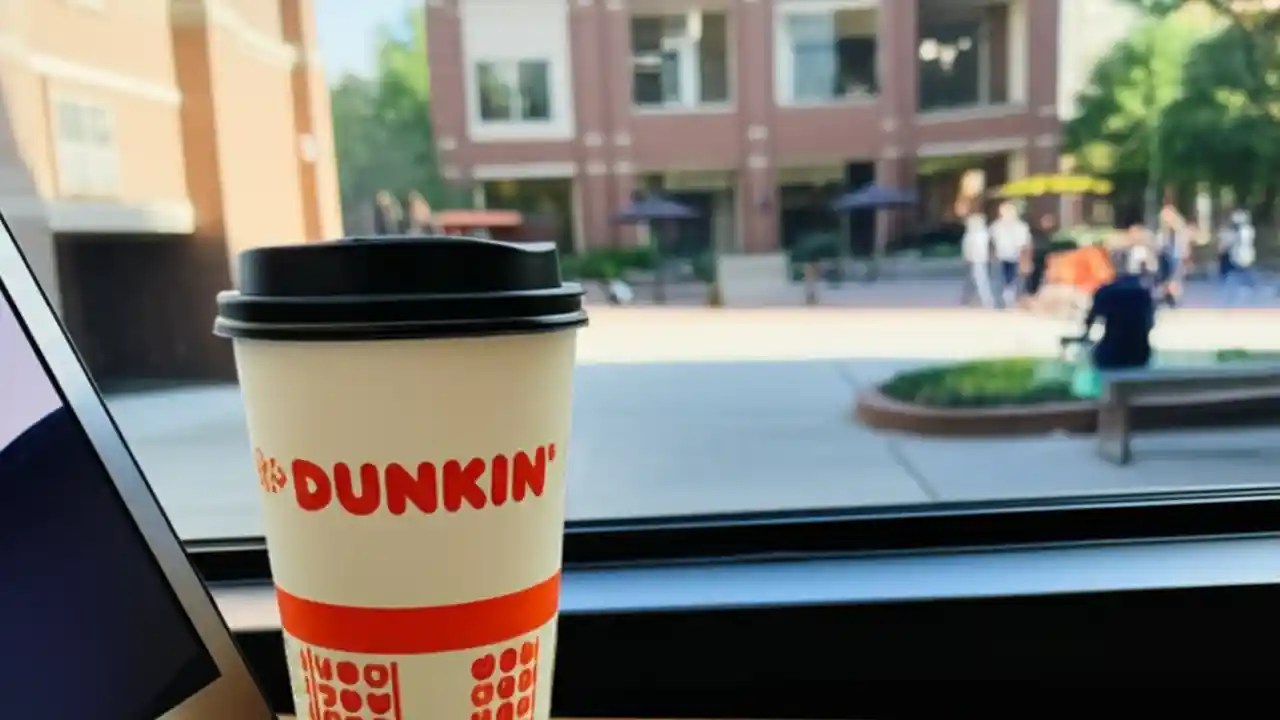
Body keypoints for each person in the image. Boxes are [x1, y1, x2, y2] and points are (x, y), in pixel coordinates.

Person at [1080, 251, 1156, 371]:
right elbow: (1150, 323)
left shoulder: (1106, 292)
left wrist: (1085, 336)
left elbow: (1091, 320)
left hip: (1112, 350)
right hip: (1139, 352)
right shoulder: (1143, 293)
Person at [990, 202, 1031, 308]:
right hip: (1001, 256)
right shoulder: (996, 226)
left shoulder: (1021, 226)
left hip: (1015, 256)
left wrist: (1025, 259)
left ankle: (1012, 299)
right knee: (1000, 279)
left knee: (1013, 278)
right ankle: (1001, 300)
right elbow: (992, 242)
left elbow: (1025, 244)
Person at [1154, 205, 1191, 308]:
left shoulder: (1178, 230)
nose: (1165, 219)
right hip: (1165, 256)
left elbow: (1183, 244)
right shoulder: (1163, 231)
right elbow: (1160, 244)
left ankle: (1172, 298)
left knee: (1174, 277)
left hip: (1175, 256)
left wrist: (1185, 255)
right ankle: (1168, 297)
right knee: (1165, 278)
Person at [1221, 209, 1258, 305]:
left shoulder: (1242, 231)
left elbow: (1231, 242)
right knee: (1241, 273)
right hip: (1242, 255)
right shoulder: (1248, 230)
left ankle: (1247, 288)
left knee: (1239, 273)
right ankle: (1246, 288)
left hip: (1240, 255)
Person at [960, 210, 994, 308]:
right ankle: (967, 300)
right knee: (971, 280)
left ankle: (986, 300)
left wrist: (970, 257)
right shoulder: (974, 234)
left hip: (978, 260)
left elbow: (977, 248)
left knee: (980, 280)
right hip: (975, 259)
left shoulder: (979, 234)